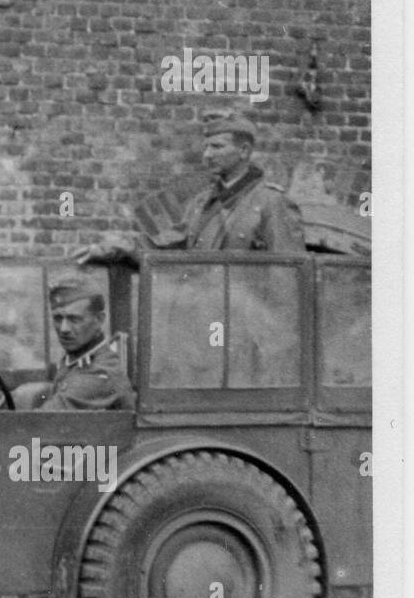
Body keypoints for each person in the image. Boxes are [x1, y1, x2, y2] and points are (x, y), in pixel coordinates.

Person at [75, 110, 304, 267]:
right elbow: (168, 251)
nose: (207, 155)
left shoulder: (272, 204)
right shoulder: (201, 204)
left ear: (244, 151)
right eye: (206, 147)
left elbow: (290, 280)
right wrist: (119, 247)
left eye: (217, 147)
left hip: (245, 329)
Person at [28, 276, 136, 411]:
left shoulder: (99, 374)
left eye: (74, 319)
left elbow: (36, 424)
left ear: (99, 320)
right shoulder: (75, 358)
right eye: (58, 318)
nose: (64, 329)